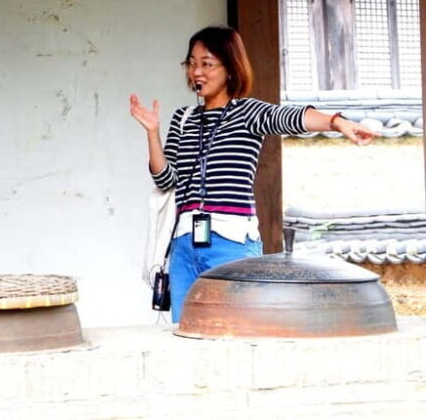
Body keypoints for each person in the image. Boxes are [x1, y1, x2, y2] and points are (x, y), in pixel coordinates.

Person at [130, 26, 377, 323]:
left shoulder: (248, 113)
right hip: (183, 243)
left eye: (207, 63)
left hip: (231, 242)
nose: (197, 71)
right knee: (185, 330)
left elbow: (291, 117)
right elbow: (166, 181)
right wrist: (152, 133)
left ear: (231, 69)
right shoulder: (183, 119)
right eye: (192, 63)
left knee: (235, 330)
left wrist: (337, 122)